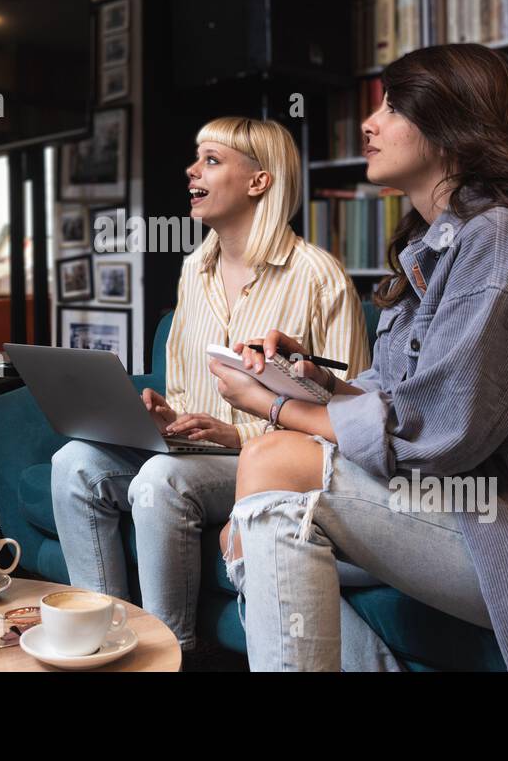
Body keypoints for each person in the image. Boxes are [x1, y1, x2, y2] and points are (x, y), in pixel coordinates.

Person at [212, 44, 508, 671]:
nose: (370, 123)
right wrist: (309, 379)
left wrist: (275, 407)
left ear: (454, 127)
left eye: (393, 106)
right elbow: (404, 401)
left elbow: (441, 436)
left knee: (269, 463)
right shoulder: (432, 243)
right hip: (464, 504)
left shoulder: (496, 237)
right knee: (252, 523)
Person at [50, 116, 371, 663]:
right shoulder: (192, 269)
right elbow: (181, 383)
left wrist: (238, 432)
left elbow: (354, 413)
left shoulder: (320, 276)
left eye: (212, 160)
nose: (191, 170)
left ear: (259, 182)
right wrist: (161, 415)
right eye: (197, 159)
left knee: (160, 480)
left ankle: (167, 654)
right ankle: (99, 641)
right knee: (73, 463)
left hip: (267, 459)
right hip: (190, 447)